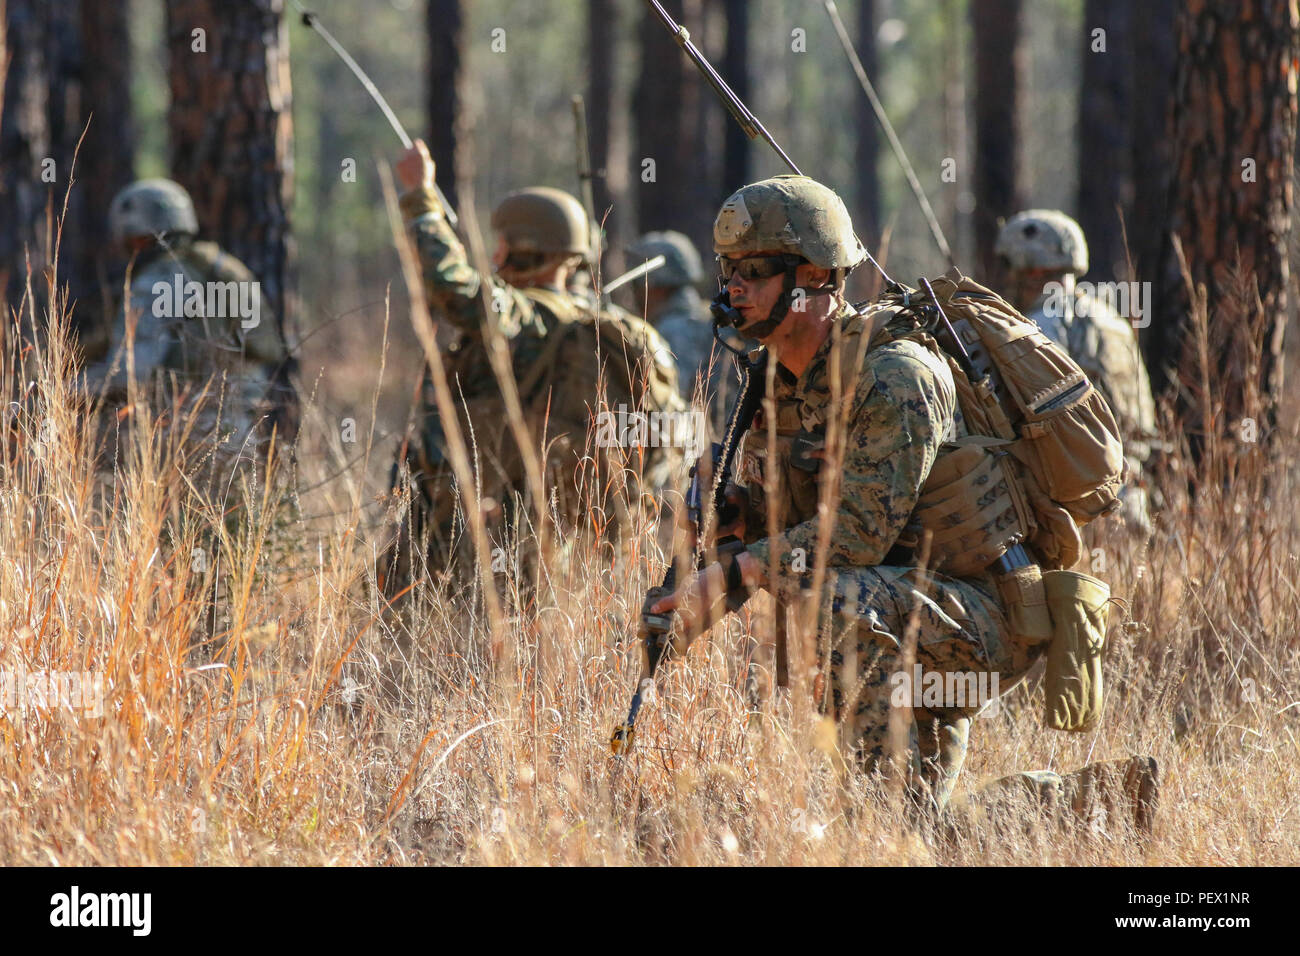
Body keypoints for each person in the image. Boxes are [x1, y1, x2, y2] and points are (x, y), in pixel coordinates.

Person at [646, 175, 1156, 829]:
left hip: (983, 615)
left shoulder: (897, 376)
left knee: (837, 603)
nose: (732, 287)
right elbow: (795, 528)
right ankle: (1098, 805)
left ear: (811, 278)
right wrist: (725, 538)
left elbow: (852, 539)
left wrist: (736, 572)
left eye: (753, 270)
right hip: (903, 604)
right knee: (910, 830)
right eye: (727, 270)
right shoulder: (781, 381)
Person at [380, 140, 683, 594]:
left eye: (500, 244)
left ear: (521, 249)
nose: (494, 255)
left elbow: (456, 291)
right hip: (583, 550)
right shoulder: (628, 332)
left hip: (492, 538)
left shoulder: (529, 316)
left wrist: (421, 199)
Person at [84, 178, 298, 481]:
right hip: (243, 433)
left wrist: (62, 393)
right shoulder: (223, 267)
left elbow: (132, 373)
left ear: (135, 235)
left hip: (183, 438)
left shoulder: (156, 280)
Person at [996, 210, 1158, 535]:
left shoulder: (1041, 326)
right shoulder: (1110, 318)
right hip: (1129, 487)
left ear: (1031, 268)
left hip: (1080, 497)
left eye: (1009, 267)